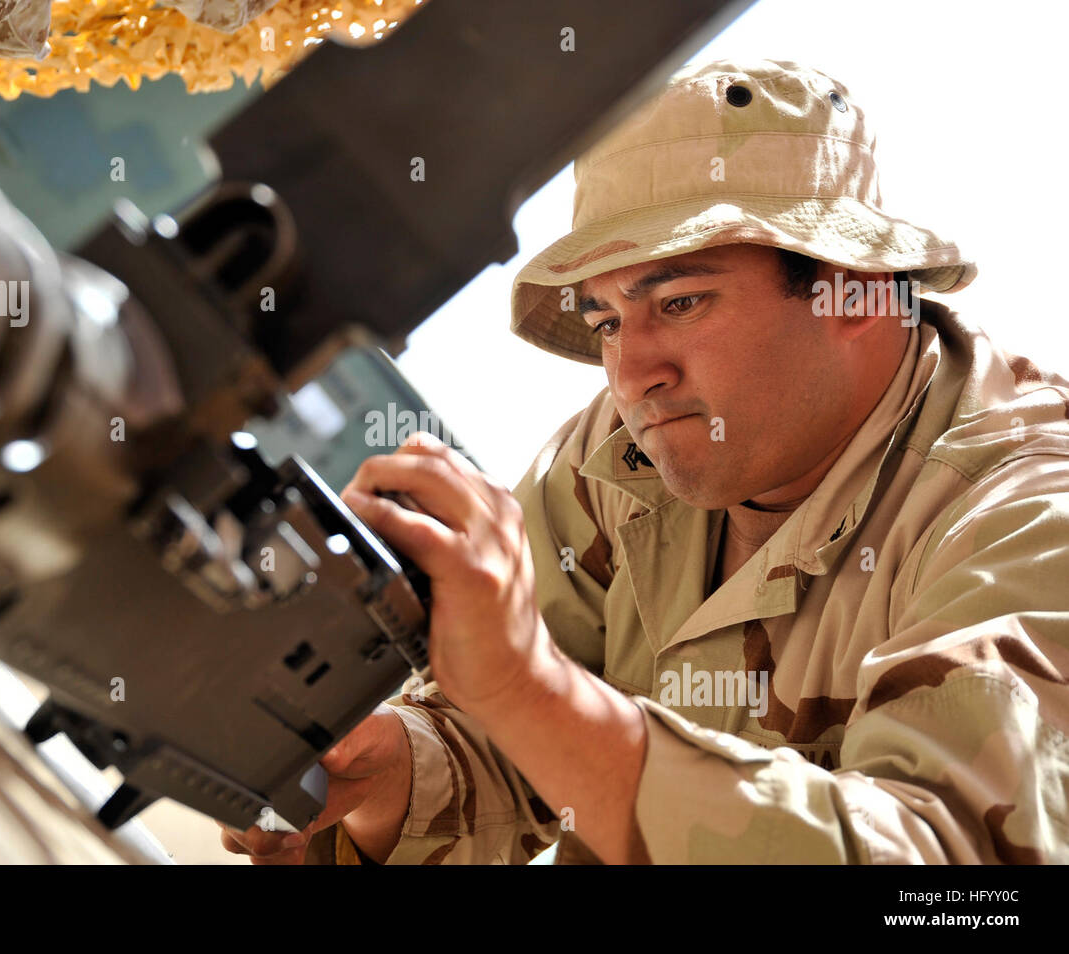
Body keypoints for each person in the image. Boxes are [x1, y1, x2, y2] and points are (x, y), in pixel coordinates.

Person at [220, 59, 1069, 864]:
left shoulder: (1029, 509)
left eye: (681, 300)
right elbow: (513, 747)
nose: (630, 375)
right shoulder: (621, 453)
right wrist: (384, 776)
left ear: (853, 285)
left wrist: (526, 689)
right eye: (606, 322)